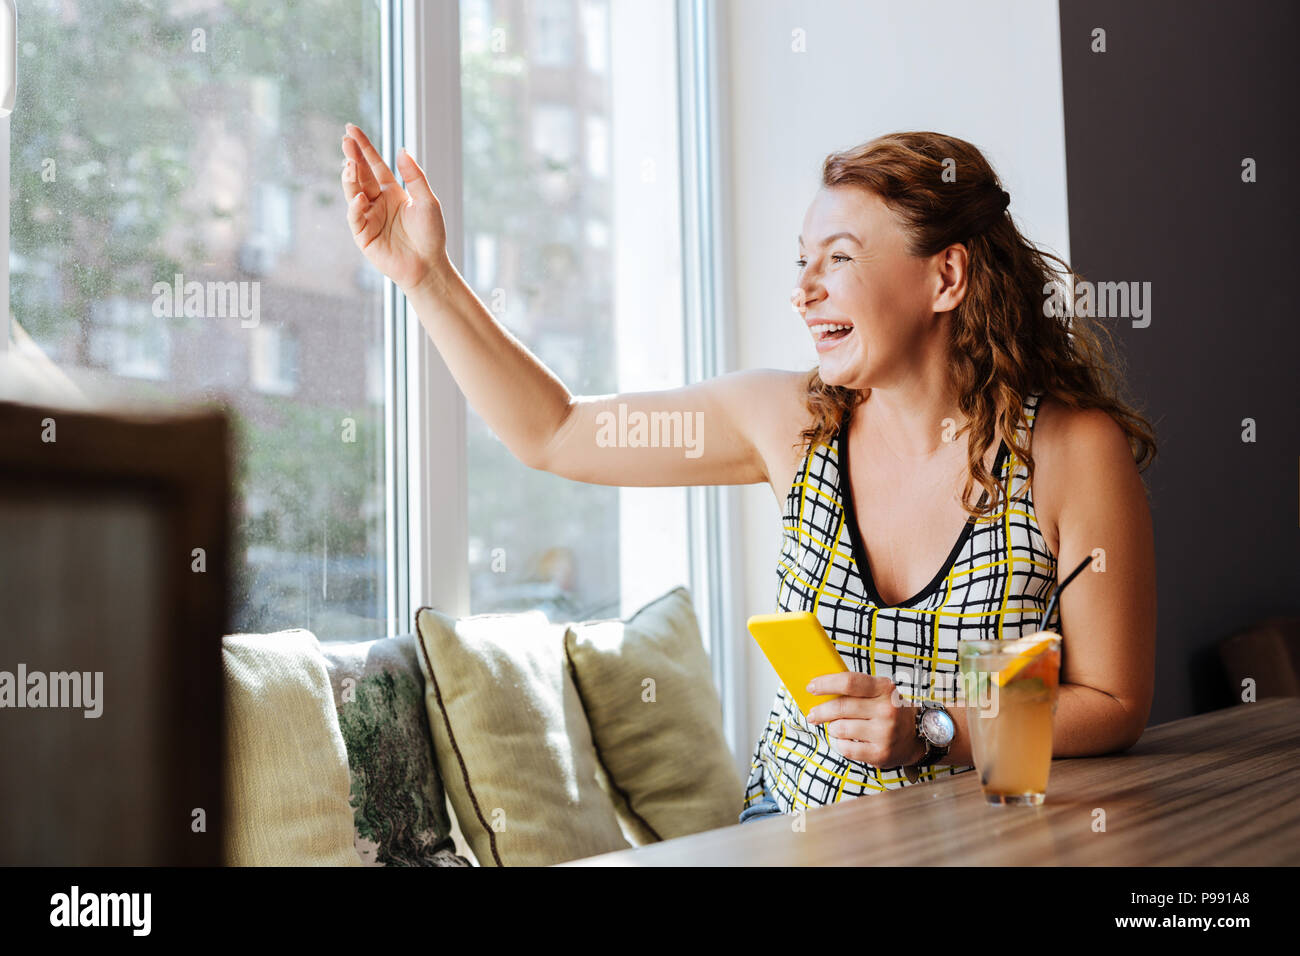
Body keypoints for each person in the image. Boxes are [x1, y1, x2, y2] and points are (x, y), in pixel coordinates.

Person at [340, 124, 1157, 824]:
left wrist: (938, 726)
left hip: (980, 841)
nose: (803, 291)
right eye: (803, 261)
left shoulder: (1069, 450)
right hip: (790, 830)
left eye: (838, 258)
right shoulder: (793, 423)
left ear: (944, 277)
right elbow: (553, 432)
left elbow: (1113, 704)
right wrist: (427, 279)